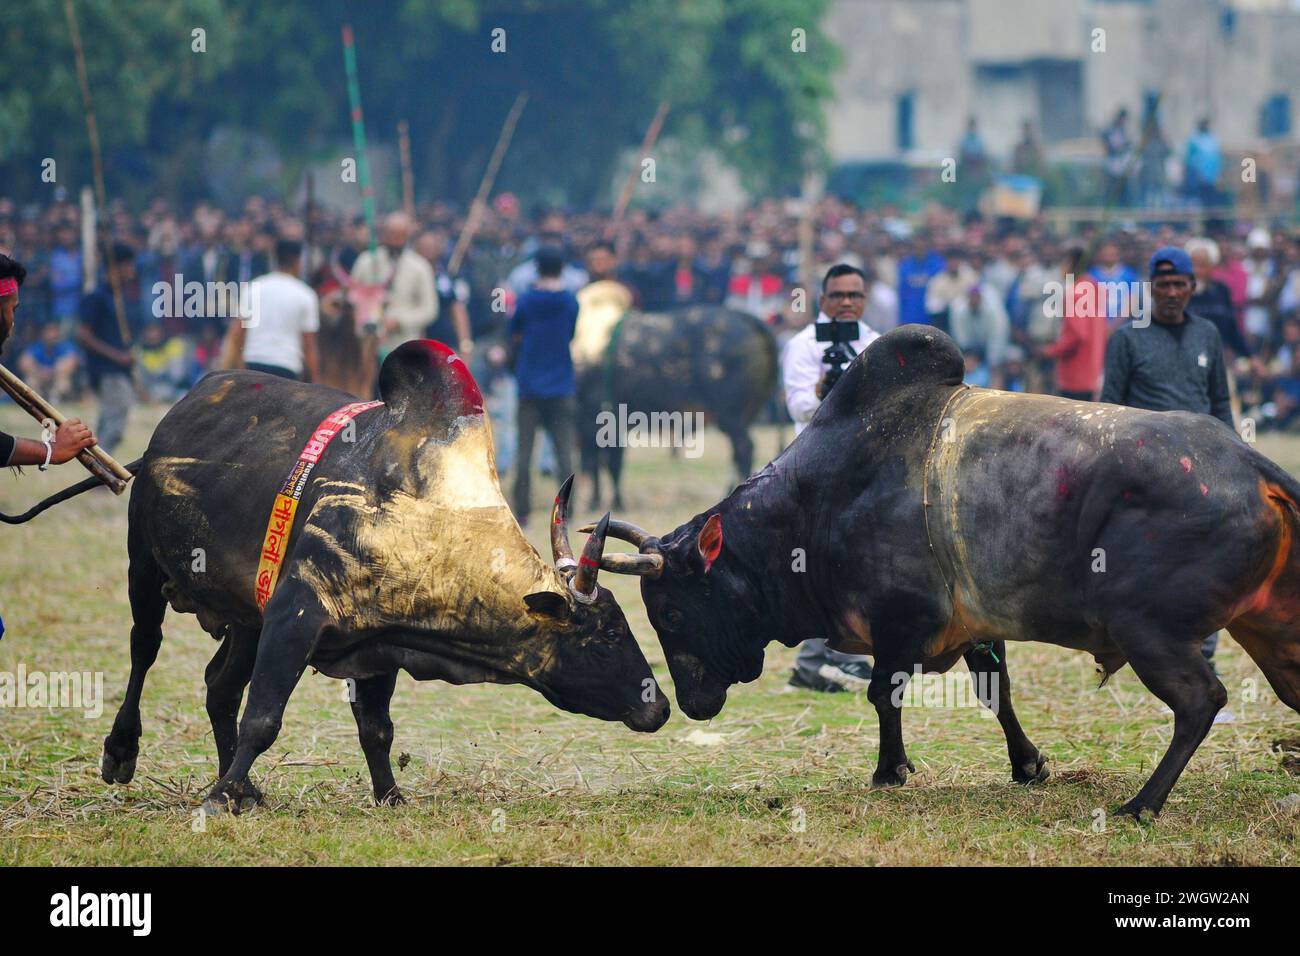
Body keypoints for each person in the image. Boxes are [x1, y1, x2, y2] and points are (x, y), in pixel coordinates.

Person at [1100, 247, 1234, 682]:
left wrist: (1234, 457)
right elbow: (1111, 412)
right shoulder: (1127, 338)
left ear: (1194, 287)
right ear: (1150, 289)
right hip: (1150, 475)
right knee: (1151, 568)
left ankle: (1202, 659)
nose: (1172, 293)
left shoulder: (1208, 335)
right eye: (1163, 285)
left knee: (1207, 567)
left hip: (1205, 474)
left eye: (1180, 284)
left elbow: (1220, 402)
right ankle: (1152, 655)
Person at [780, 264, 877, 693]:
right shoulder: (802, 346)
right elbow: (798, 408)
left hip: (863, 468)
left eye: (854, 295)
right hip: (815, 469)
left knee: (856, 565)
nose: (846, 302)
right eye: (837, 295)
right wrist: (823, 392)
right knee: (822, 566)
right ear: (823, 300)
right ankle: (829, 661)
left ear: (864, 299)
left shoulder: (875, 344)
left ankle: (822, 662)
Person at [0, 254, 97, 470]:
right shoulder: (36, 348)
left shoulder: (63, 347)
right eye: (11, 309)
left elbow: (71, 361)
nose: (12, 322)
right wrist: (50, 451)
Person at [509, 246, 579, 526]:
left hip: (529, 385)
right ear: (563, 269)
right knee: (564, 453)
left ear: (536, 268)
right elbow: (572, 333)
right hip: (562, 383)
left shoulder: (526, 300)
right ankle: (567, 511)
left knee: (525, 453)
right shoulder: (571, 302)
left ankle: (523, 510)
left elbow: (514, 331)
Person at [75, 242, 138, 455]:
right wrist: (117, 356)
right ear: (115, 266)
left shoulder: (120, 298)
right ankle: (103, 467)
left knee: (109, 416)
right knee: (117, 416)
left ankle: (97, 464)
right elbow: (83, 335)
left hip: (117, 370)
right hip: (105, 369)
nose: (132, 270)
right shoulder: (97, 296)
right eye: (128, 265)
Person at [226, 239, 320, 382]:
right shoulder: (306, 295)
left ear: (274, 259)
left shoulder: (253, 287)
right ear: (298, 261)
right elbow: (309, 346)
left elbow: (237, 334)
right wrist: (315, 381)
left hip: (252, 365)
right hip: (287, 368)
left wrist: (236, 366)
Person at [349, 212, 438, 359]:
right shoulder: (366, 261)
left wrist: (400, 321)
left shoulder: (420, 267)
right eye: (391, 235)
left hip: (404, 347)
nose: (395, 241)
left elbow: (429, 309)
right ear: (383, 234)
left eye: (400, 235)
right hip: (366, 345)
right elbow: (352, 295)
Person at [1039, 246, 1106, 401]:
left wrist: (1050, 351)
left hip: (1075, 376)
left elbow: (1077, 335)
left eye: (1063, 262)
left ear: (1071, 264)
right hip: (1093, 371)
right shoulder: (1094, 287)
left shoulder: (1075, 293)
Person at [17, 322, 79, 404]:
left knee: (63, 383)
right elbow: (23, 363)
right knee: (30, 381)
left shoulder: (65, 346)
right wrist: (39, 371)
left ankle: (59, 404)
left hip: (57, 378)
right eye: (48, 332)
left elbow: (72, 362)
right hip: (39, 378)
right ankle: (36, 403)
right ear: (43, 333)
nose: (51, 335)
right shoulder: (36, 347)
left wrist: (53, 371)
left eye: (53, 332)